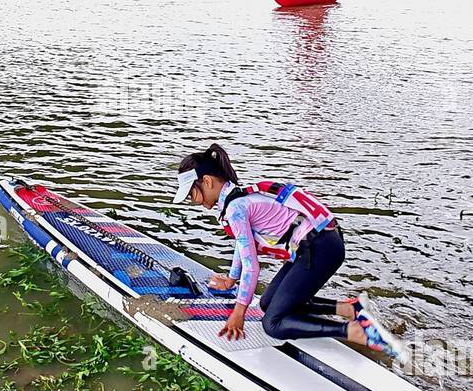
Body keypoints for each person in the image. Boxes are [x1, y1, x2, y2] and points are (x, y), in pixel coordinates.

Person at [172, 144, 407, 359]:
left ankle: (356, 331)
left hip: (319, 247)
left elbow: (252, 265)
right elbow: (245, 244)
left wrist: (239, 311)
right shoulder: (238, 200)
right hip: (320, 242)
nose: (194, 202)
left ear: (207, 181)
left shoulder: (235, 208)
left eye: (192, 194)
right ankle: (349, 308)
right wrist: (232, 280)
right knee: (267, 303)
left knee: (272, 323)